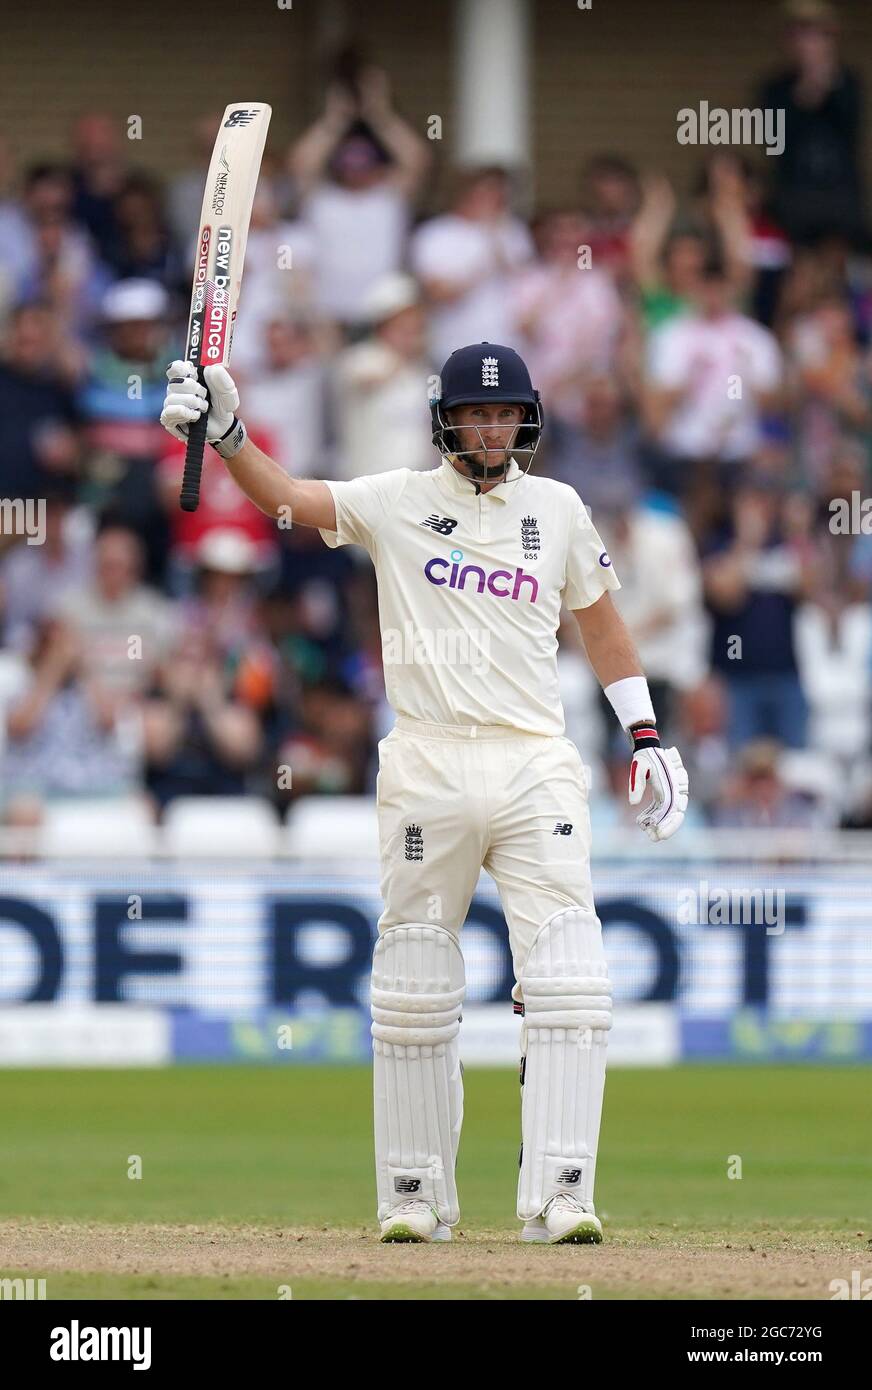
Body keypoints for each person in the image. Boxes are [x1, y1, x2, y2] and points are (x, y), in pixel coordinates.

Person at [161, 341, 689, 1246]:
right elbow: (290, 499)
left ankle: (560, 1193)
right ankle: (414, 1195)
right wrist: (229, 432)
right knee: (411, 982)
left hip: (534, 760)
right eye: (476, 413)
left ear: (526, 419)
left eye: (505, 413)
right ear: (446, 419)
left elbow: (602, 626)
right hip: (428, 761)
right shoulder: (397, 501)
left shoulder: (557, 509)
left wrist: (644, 733)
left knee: (568, 979)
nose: (492, 426)